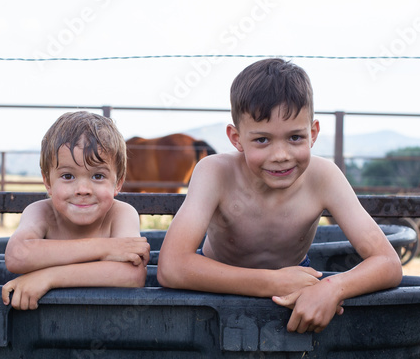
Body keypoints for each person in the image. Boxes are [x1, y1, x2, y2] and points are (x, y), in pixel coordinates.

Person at [157, 58, 403, 333]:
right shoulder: (214, 173)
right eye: (262, 140)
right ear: (236, 138)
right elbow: (172, 266)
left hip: (296, 285)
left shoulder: (325, 177)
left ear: (313, 134)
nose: (281, 155)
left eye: (295, 138)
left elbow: (389, 262)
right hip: (215, 284)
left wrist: (332, 289)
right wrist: (272, 283)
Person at [2, 111, 150, 309]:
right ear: (47, 181)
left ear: (118, 182)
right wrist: (105, 248)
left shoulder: (121, 213)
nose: (82, 190)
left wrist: (49, 277)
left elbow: (133, 275)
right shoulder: (41, 211)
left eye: (98, 176)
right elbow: (17, 255)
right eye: (68, 176)